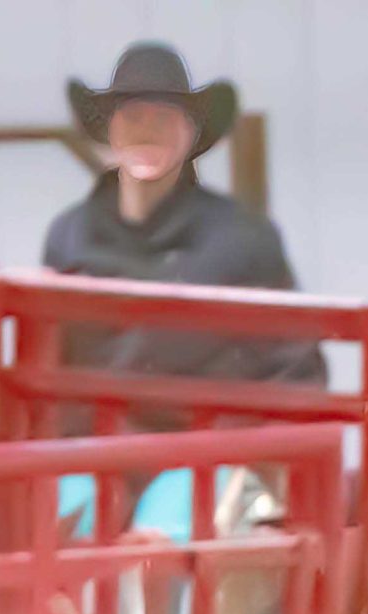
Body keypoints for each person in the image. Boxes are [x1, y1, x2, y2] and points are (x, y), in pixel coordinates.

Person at [44, 43, 324, 401]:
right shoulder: (69, 237)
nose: (148, 130)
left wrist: (246, 452)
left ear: (192, 133)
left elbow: (293, 370)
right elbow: (50, 369)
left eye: (164, 118)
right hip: (98, 451)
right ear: (109, 130)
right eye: (133, 117)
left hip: (211, 449)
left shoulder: (246, 239)